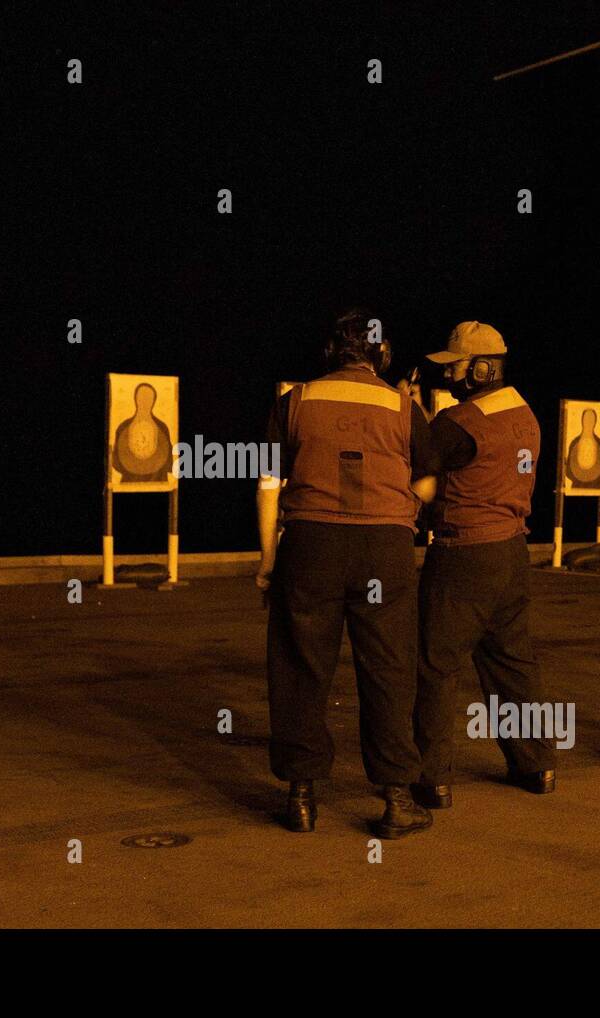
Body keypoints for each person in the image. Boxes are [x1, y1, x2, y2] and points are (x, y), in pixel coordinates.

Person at [256, 308, 436, 838]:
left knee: (299, 668)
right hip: (384, 547)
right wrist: (405, 514)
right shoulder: (404, 407)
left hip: (311, 544)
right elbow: (429, 482)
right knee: (389, 670)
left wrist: (268, 560)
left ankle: (302, 795)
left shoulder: (296, 400)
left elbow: (269, 484)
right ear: (381, 355)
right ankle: (397, 798)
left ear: (330, 352)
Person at [413, 322, 557, 809]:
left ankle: (432, 779)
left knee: (437, 665)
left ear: (481, 367)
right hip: (512, 553)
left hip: (463, 553)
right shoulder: (528, 415)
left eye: (453, 367)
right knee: (512, 664)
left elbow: (415, 461)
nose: (447, 376)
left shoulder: (458, 422)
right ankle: (536, 765)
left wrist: (406, 410)